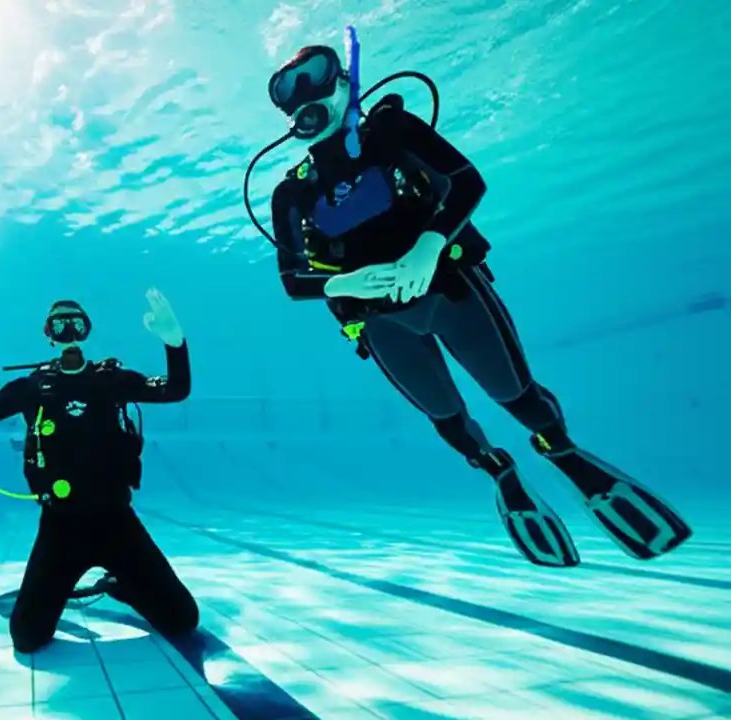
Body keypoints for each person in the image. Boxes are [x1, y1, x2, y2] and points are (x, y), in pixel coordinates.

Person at [243, 26, 691, 567]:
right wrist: (346, 283)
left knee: (515, 394)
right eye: (288, 92)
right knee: (446, 416)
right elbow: (292, 280)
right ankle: (497, 467)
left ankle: (561, 450)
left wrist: (427, 249)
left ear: (344, 82)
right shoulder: (292, 191)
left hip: (450, 289)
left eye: (313, 80)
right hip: (379, 323)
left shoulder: (391, 129)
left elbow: (466, 181)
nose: (304, 99)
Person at [0, 288, 200, 653]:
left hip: (118, 521)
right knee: (27, 637)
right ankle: (65, 584)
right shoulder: (33, 386)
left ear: (87, 330)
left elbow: (176, 390)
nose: (68, 331)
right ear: (48, 335)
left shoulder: (111, 379)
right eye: (60, 325)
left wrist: (174, 343)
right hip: (60, 526)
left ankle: (123, 584)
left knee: (183, 620)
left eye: (76, 323)